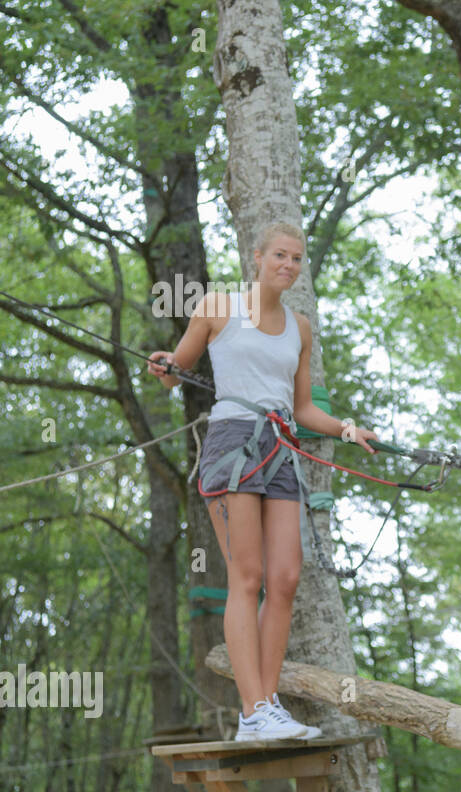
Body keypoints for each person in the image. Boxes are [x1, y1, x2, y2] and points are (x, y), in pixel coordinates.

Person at [147, 223, 379, 742]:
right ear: (257, 256)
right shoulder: (217, 307)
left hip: (280, 445)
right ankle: (252, 712)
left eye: (296, 259)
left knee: (287, 578)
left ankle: (267, 706)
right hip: (232, 440)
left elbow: (302, 408)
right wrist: (162, 366)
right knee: (246, 578)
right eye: (280, 255)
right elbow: (173, 372)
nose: (289, 265)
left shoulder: (299, 326)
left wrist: (347, 429)